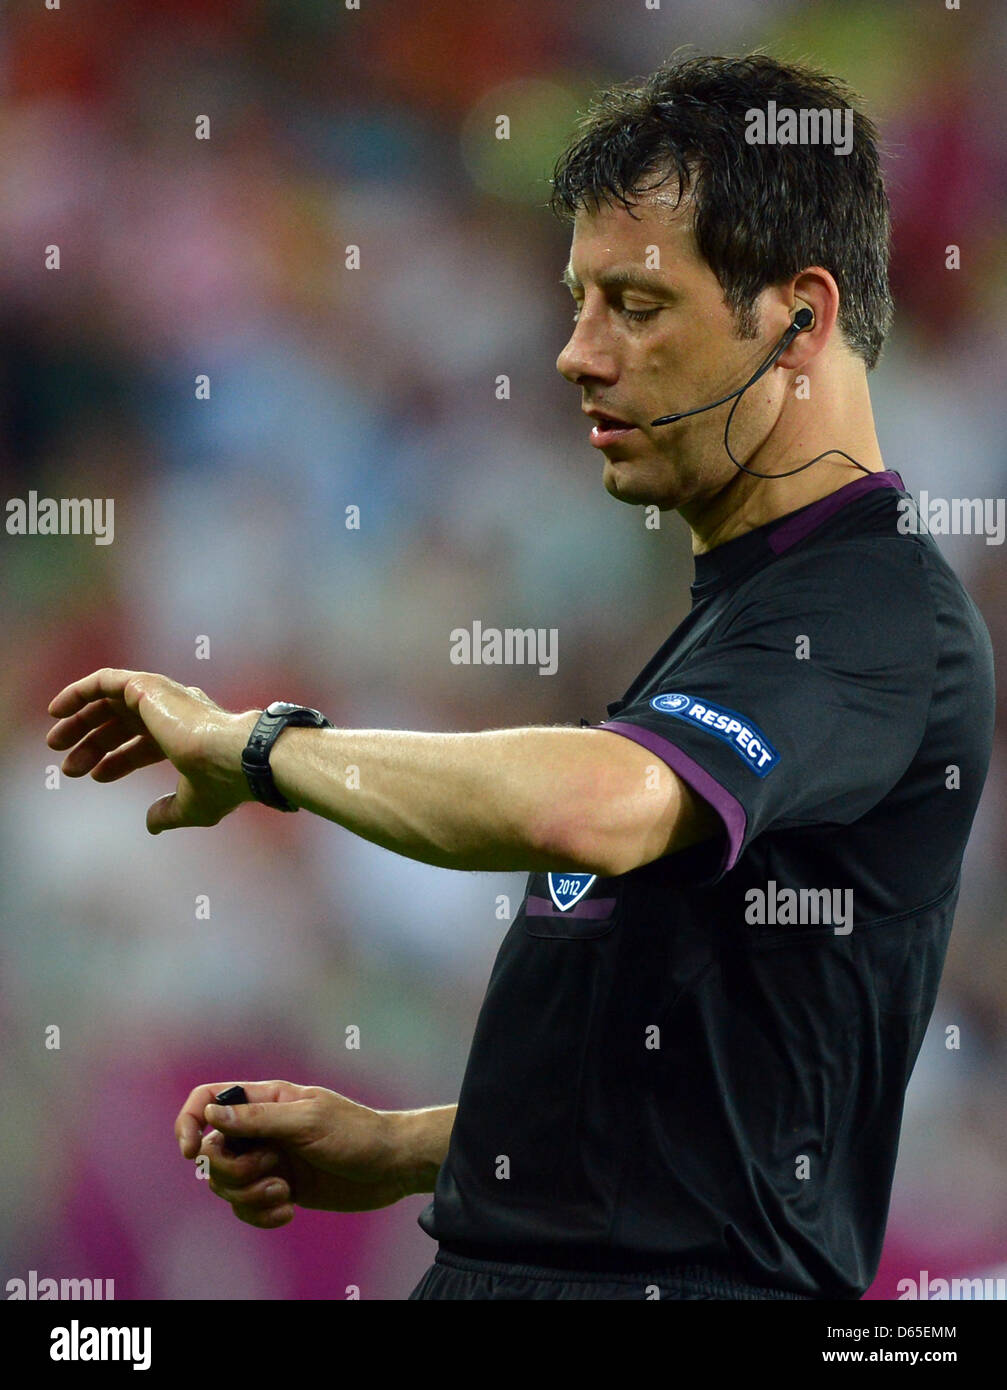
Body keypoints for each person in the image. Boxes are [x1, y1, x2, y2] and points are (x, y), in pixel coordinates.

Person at [45, 54, 994, 1300]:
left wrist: (262, 749)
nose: (574, 354)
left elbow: (588, 808)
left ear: (796, 319)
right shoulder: (747, 610)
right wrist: (399, 1148)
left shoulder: (866, 616)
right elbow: (706, 1089)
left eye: (635, 305)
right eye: (575, 300)